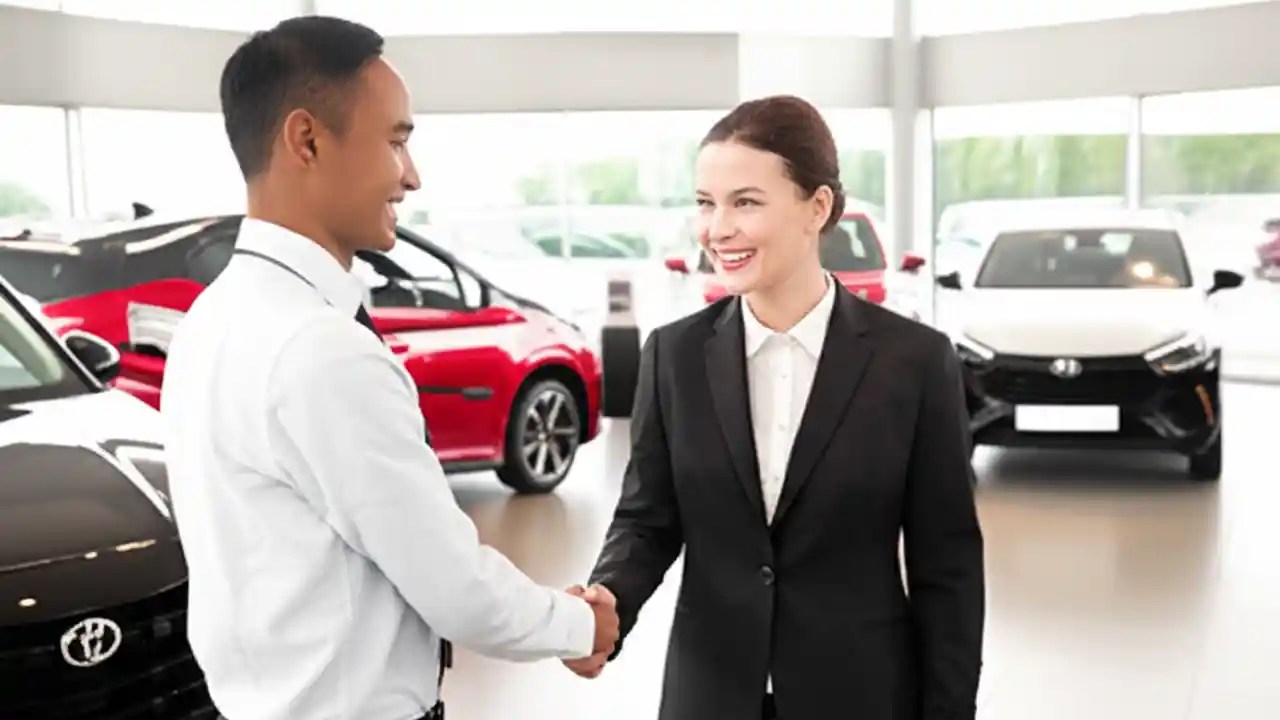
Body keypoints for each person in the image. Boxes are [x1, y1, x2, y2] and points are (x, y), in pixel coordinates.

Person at [160, 16, 617, 720]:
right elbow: (452, 585)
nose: (411, 175)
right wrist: (580, 625)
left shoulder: (211, 319)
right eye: (396, 141)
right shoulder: (318, 347)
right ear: (307, 140)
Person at [566, 95, 985, 720]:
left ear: (817, 207)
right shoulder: (674, 355)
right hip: (709, 697)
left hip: (861, 697)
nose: (716, 229)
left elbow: (947, 568)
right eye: (706, 203)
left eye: (745, 202)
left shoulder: (915, 362)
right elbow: (647, 520)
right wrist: (609, 601)